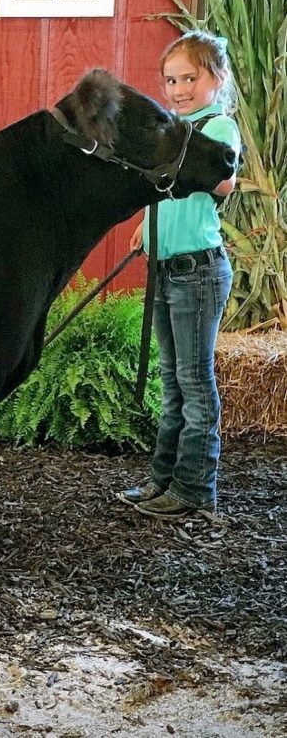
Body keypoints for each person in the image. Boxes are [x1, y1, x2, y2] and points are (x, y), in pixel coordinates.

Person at [116, 30, 241, 519]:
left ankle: (194, 488)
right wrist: (147, 231)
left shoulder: (217, 127)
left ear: (217, 78)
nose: (179, 88)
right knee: (172, 383)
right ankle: (161, 479)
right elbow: (162, 194)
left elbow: (224, 181)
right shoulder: (174, 130)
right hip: (166, 270)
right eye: (171, 79)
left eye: (191, 77)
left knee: (194, 381)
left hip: (198, 274)